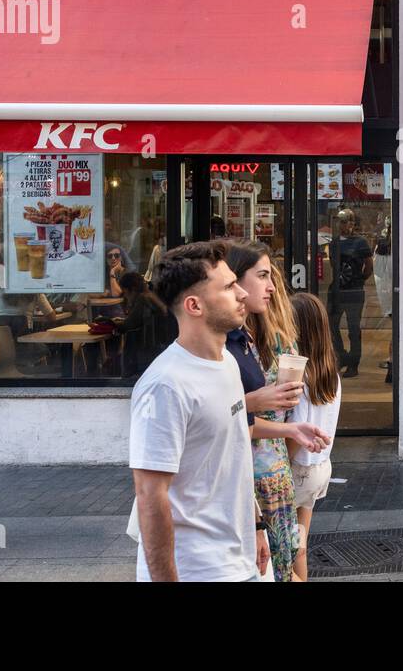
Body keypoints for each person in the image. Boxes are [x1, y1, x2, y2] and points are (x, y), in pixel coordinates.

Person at [129, 241, 268, 582]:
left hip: (238, 561)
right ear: (194, 305)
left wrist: (256, 524)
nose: (241, 294)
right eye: (227, 287)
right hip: (197, 570)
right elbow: (149, 494)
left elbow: (229, 457)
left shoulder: (227, 365)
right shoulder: (166, 384)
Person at [225, 241, 330, 581]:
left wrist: (288, 429)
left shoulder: (252, 340)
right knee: (278, 565)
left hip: (275, 472)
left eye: (272, 279)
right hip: (250, 479)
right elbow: (220, 416)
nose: (271, 287)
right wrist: (264, 408)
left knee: (285, 561)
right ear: (234, 282)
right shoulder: (225, 344)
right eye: (263, 276)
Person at [287, 292, 342, 581]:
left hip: (296, 470)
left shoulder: (297, 377)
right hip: (320, 468)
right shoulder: (329, 372)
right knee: (300, 545)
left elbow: (295, 433)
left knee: (281, 551)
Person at [327, 210, 373, 378]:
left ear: (353, 224)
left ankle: (354, 363)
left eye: (346, 222)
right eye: (340, 222)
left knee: (354, 328)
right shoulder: (334, 243)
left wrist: (359, 280)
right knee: (331, 326)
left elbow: (368, 266)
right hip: (336, 290)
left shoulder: (361, 242)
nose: (343, 225)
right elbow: (333, 265)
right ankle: (342, 356)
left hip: (354, 291)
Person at [115, 271, 171, 375]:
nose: (125, 296)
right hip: (155, 349)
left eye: (125, 292)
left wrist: (113, 324)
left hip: (144, 351)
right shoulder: (150, 295)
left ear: (131, 289)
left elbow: (131, 323)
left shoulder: (143, 299)